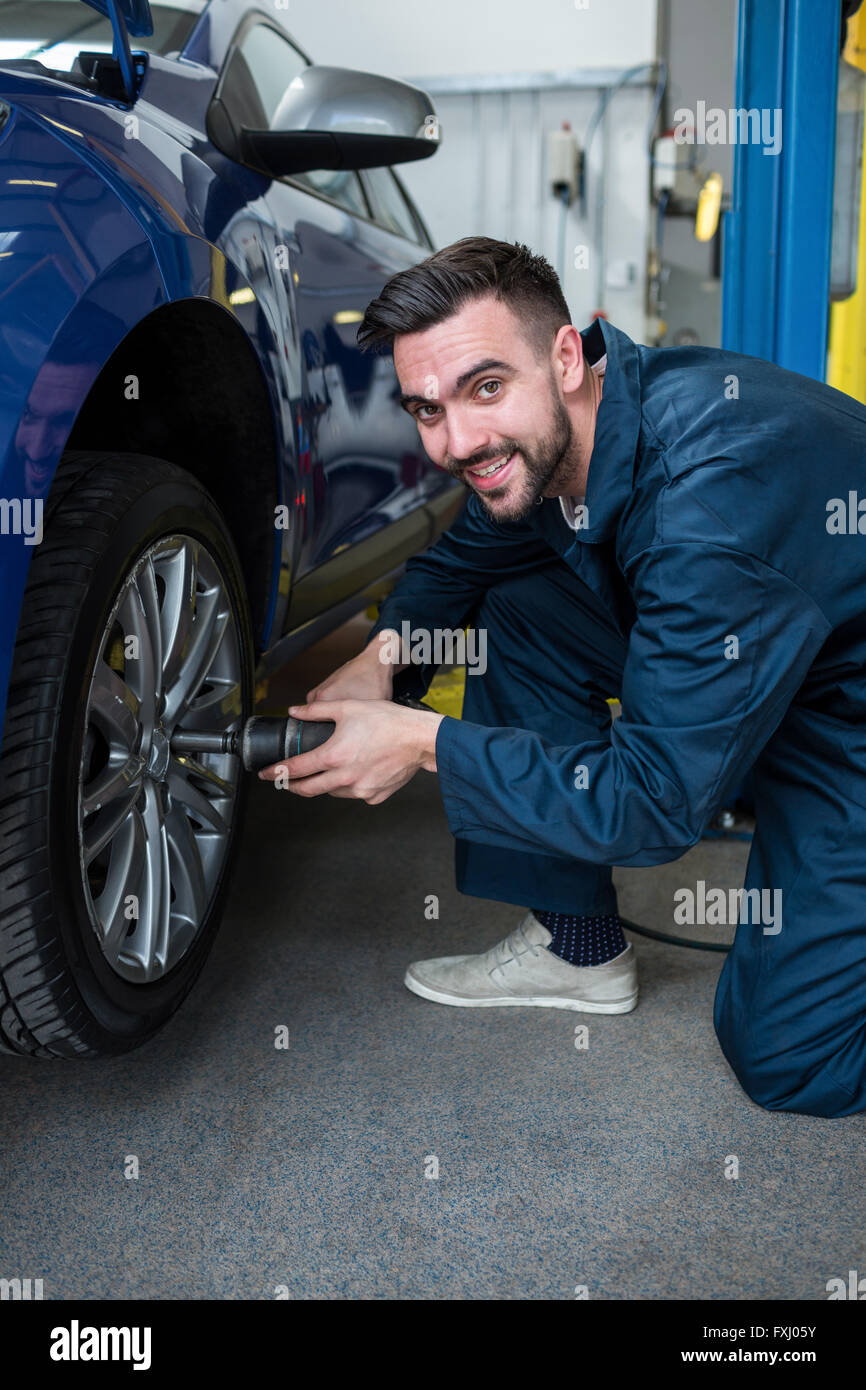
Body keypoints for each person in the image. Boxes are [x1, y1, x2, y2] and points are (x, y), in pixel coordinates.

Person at [259, 236, 866, 1119]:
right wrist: (376, 665)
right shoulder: (549, 444)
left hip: (844, 716)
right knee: (513, 613)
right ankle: (579, 946)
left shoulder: (706, 506)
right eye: (426, 408)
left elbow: (653, 805)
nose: (458, 440)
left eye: (485, 387)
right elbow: (453, 568)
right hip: (779, 658)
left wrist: (427, 743)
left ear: (567, 356)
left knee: (789, 1056)